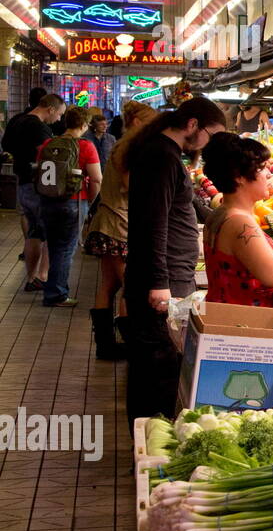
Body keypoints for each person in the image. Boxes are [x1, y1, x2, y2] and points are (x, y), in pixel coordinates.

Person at [124, 97, 227, 421]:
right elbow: (152, 224)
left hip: (168, 272)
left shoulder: (164, 154)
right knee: (158, 364)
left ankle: (149, 432)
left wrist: (217, 215)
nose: (209, 146)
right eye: (212, 135)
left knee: (160, 362)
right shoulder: (161, 157)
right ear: (193, 125)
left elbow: (179, 206)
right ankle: (149, 436)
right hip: (161, 278)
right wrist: (159, 284)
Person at [201, 134, 273, 306]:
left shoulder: (221, 212)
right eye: (261, 168)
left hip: (226, 315)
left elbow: (241, 263)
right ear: (239, 177)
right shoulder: (240, 223)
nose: (268, 173)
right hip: (246, 323)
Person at [84, 102, 159, 359]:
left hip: (108, 221)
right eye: (151, 124)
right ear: (137, 122)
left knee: (110, 284)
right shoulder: (129, 149)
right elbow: (134, 187)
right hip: (119, 223)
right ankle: (128, 343)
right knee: (130, 286)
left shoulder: (121, 146)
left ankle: (106, 344)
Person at [36, 106, 101, 308]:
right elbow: (97, 178)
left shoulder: (47, 143)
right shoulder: (86, 146)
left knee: (54, 246)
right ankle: (56, 294)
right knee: (65, 249)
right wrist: (92, 203)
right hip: (73, 201)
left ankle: (52, 289)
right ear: (84, 125)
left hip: (47, 201)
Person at [2, 94, 66, 292]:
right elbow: (48, 155)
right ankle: (42, 276)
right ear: (51, 109)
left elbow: (6, 146)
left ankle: (31, 278)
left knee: (33, 232)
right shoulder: (39, 127)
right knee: (49, 233)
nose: (58, 120)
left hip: (22, 182)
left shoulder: (16, 120)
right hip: (39, 185)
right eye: (59, 115)